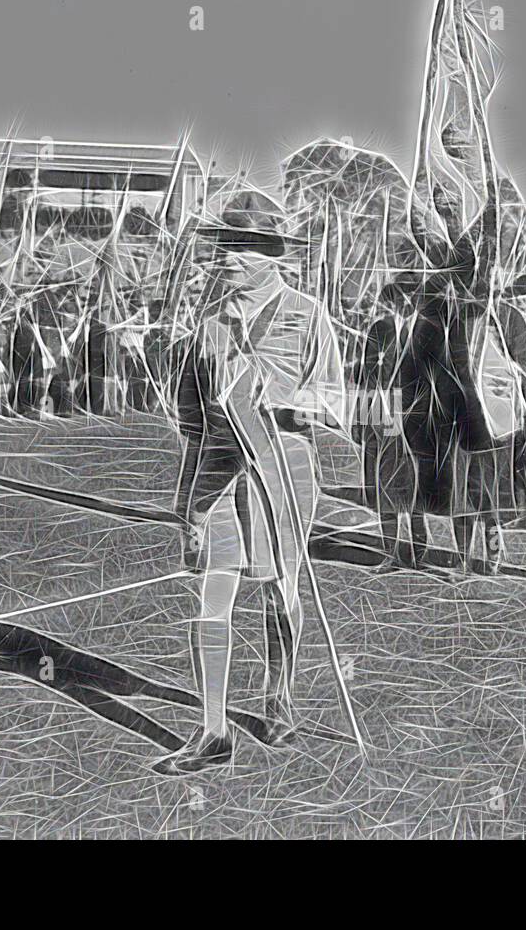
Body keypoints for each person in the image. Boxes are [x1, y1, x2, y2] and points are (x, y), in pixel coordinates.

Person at [156, 188, 347, 775]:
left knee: (280, 593)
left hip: (282, 474)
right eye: (222, 248)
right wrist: (187, 505)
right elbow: (191, 422)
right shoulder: (207, 325)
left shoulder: (308, 314)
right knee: (212, 600)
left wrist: (287, 395)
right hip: (219, 476)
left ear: (271, 253)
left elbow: (339, 402)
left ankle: (278, 693)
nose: (225, 259)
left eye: (238, 248)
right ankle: (212, 729)